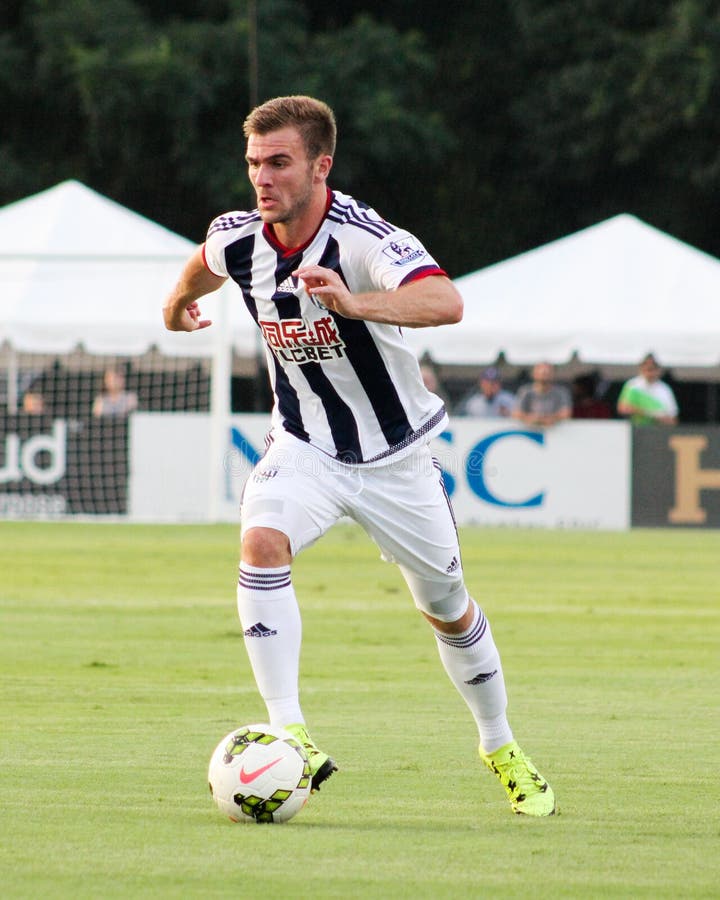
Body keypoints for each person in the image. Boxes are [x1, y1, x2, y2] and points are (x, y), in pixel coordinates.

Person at [163, 95, 554, 816]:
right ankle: (291, 732)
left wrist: (354, 303)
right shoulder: (240, 237)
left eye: (278, 162)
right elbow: (202, 264)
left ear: (321, 165)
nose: (262, 178)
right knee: (261, 541)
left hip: (398, 461)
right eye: (253, 163)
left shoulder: (366, 240)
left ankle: (499, 744)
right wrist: (173, 308)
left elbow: (445, 302)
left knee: (449, 609)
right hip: (305, 446)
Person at [616, 354, 678, 425]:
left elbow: (673, 420)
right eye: (647, 369)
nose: (650, 373)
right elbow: (622, 408)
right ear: (641, 369)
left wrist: (659, 418)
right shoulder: (632, 385)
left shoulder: (665, 389)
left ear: (658, 370)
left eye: (652, 369)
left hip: (657, 431)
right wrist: (647, 413)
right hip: (635, 429)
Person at [513, 362, 572, 427]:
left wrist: (551, 418)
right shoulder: (525, 391)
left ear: (553, 374)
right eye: (542, 373)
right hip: (530, 432)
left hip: (556, 433)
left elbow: (566, 413)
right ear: (534, 374)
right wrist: (530, 418)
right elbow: (516, 412)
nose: (544, 375)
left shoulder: (561, 392)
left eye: (547, 373)